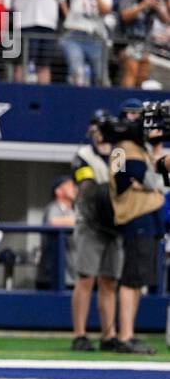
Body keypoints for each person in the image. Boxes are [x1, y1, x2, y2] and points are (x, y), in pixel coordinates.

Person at [107, 102, 167, 354]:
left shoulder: (135, 150)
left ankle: (127, 334)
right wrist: (149, 175)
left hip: (146, 221)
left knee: (138, 281)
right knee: (132, 281)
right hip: (137, 219)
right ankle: (125, 336)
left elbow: (155, 182)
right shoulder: (124, 150)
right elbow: (148, 180)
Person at [70, 110, 121, 351]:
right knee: (86, 278)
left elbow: (122, 183)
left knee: (110, 280)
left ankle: (108, 334)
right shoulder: (83, 155)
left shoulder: (119, 153)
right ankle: (79, 334)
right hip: (91, 221)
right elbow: (88, 186)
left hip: (115, 223)